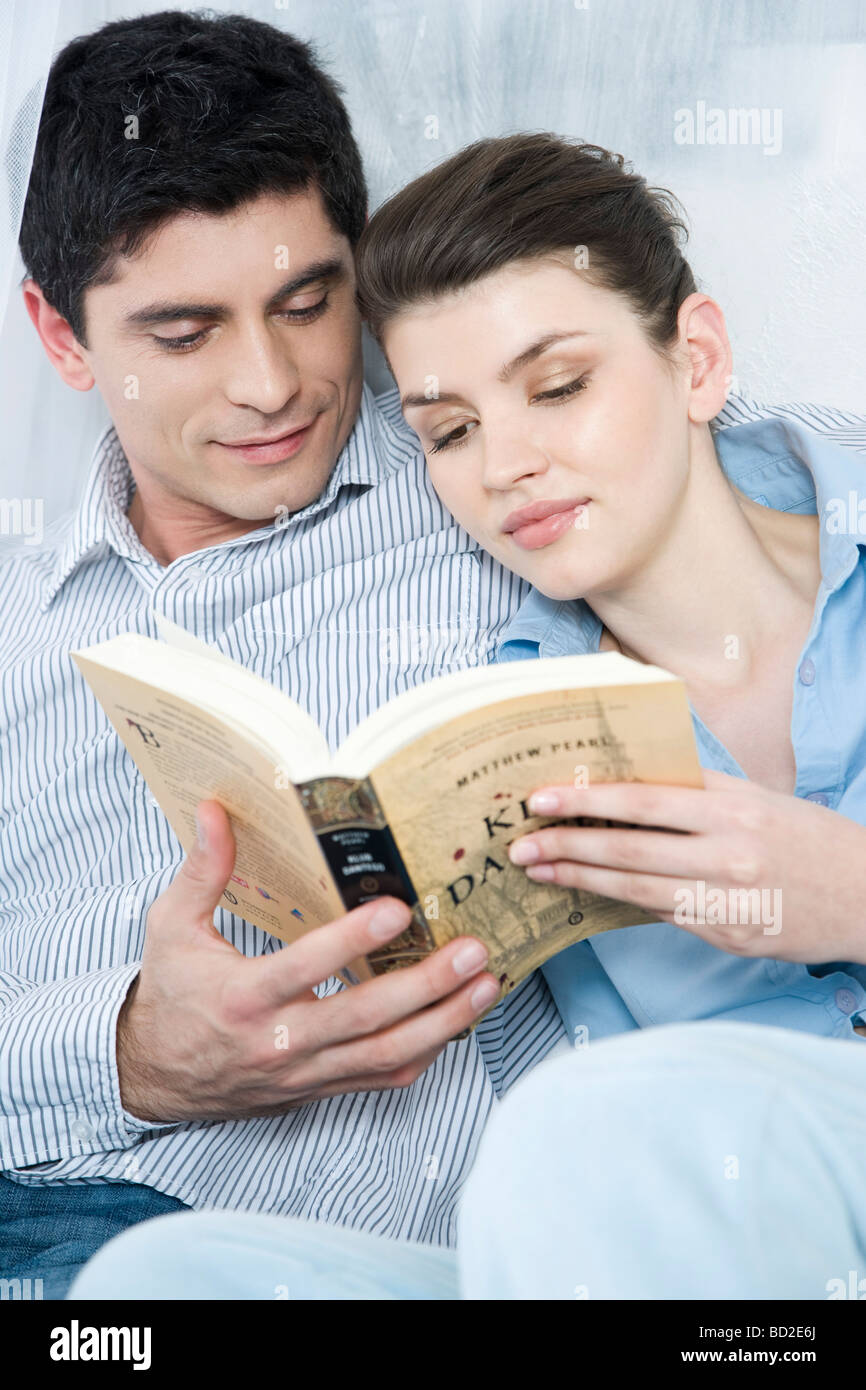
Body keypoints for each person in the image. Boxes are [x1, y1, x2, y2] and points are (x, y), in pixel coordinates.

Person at [69, 133, 866, 1299]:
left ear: (694, 362)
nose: (508, 464)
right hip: (685, 1252)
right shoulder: (503, 703)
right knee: (169, 1277)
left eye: (557, 387)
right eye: (448, 430)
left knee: (587, 1128)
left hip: (689, 1163)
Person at [1, 12, 564, 1301]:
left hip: (273, 1253)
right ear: (61, 334)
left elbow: (783, 484)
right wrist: (132, 1047)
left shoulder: (500, 487)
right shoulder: (13, 624)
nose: (272, 383)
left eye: (309, 303)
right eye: (185, 334)